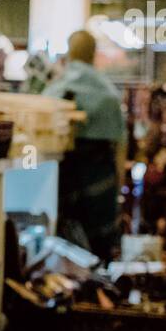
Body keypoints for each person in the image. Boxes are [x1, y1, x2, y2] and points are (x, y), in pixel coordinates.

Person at [42, 30, 128, 262]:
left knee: (66, 240)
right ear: (93, 54)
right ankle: (99, 290)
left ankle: (72, 287)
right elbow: (120, 145)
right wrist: (120, 185)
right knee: (99, 241)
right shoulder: (109, 93)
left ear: (70, 53)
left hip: (63, 174)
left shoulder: (55, 89)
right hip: (100, 174)